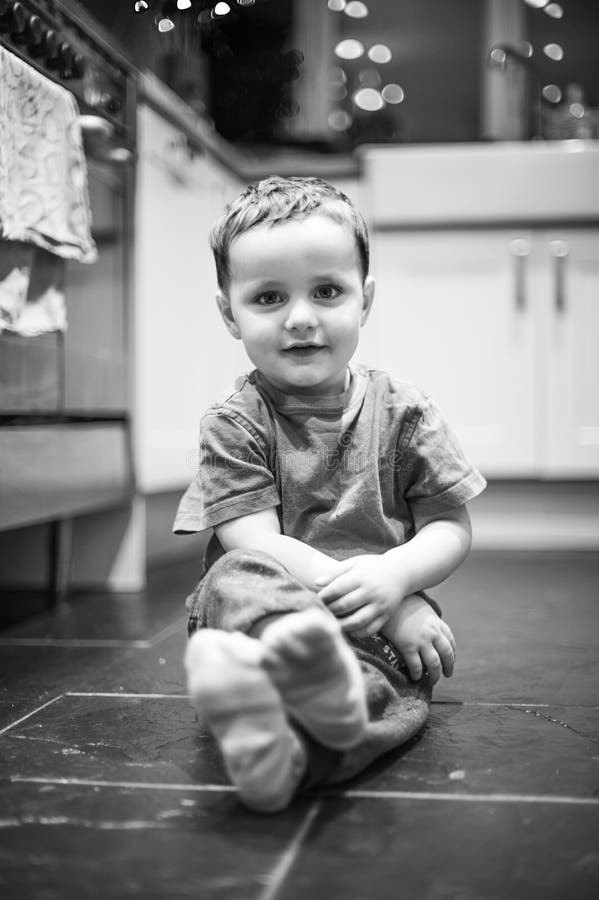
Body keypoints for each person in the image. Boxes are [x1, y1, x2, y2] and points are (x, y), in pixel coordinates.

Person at [174, 176, 486, 813]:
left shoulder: (406, 414)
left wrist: (395, 584)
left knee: (393, 692)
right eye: (268, 297)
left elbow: (450, 525)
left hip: (377, 619)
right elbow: (252, 542)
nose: (300, 318)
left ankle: (289, 751)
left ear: (363, 300)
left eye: (326, 291)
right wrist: (366, 597)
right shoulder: (234, 423)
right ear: (229, 313)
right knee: (236, 574)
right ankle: (292, 677)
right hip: (263, 617)